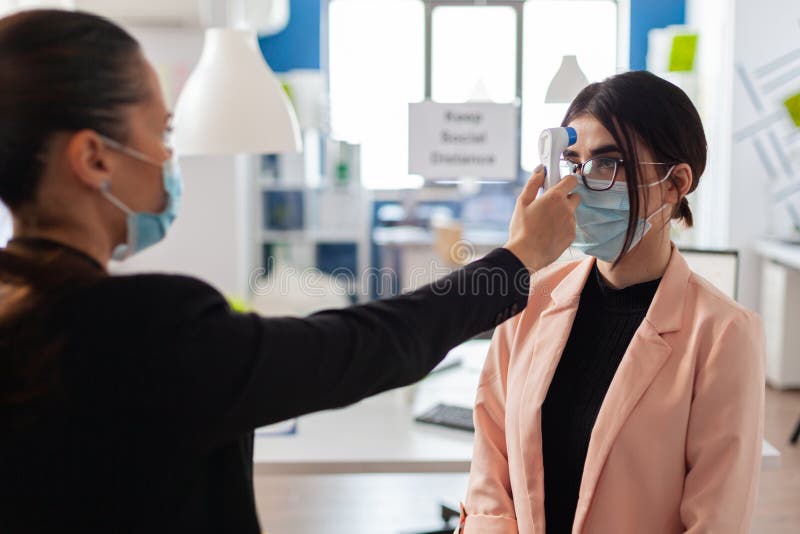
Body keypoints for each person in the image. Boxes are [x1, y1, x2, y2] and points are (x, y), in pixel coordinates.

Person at [0, 10, 580, 533]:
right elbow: (366, 345)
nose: (169, 156)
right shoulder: (144, 328)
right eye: (163, 132)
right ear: (94, 158)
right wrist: (518, 259)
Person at [458, 71, 766, 534]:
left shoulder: (724, 334)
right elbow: (491, 465)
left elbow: (715, 519)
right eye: (573, 163)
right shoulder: (529, 300)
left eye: (607, 164)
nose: (578, 187)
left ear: (675, 183)